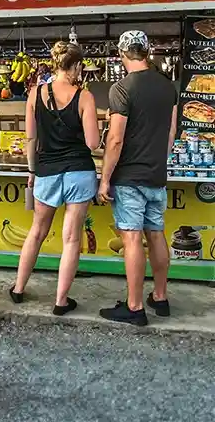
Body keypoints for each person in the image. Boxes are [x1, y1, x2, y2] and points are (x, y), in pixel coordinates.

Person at [10, 42, 100, 315]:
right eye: (80, 66)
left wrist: (31, 171)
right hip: (79, 171)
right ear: (75, 66)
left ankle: (18, 289)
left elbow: (30, 138)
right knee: (71, 238)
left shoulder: (35, 94)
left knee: (36, 232)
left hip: (47, 172)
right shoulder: (84, 97)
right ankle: (61, 301)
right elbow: (93, 143)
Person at [97, 31, 178, 326]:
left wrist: (105, 179)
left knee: (131, 239)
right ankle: (160, 297)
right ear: (146, 52)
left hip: (130, 177)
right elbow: (170, 134)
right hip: (157, 175)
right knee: (156, 234)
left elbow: (115, 139)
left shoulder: (121, 88)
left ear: (122, 54)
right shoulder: (168, 87)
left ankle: (134, 307)